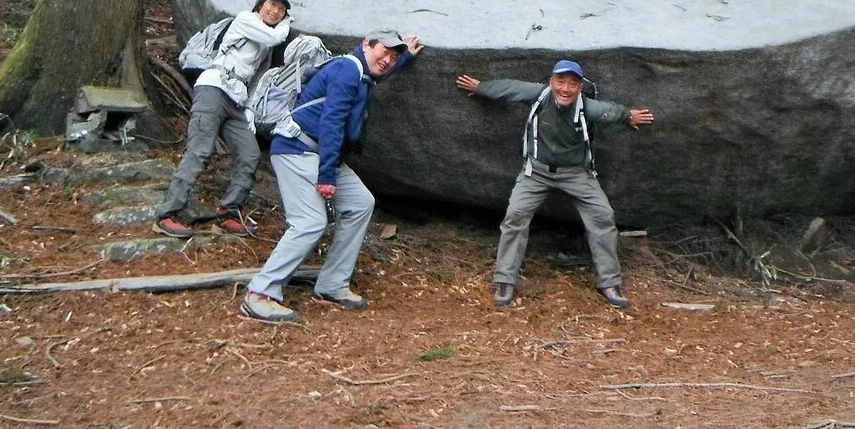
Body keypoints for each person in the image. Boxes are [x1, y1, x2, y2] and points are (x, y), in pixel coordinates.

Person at [240, 29, 422, 323]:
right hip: (297, 150)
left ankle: (332, 284)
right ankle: (259, 294)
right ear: (366, 44)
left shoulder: (361, 73)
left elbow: (376, 76)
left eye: (393, 56)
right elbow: (332, 121)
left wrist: (405, 60)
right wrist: (327, 176)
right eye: (383, 52)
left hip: (321, 154)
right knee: (310, 222)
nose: (387, 60)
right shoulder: (347, 70)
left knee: (361, 203)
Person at [456, 60, 654, 309]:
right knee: (515, 214)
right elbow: (511, 89)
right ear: (551, 82)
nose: (565, 89)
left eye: (572, 84)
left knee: (603, 215)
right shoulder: (540, 96)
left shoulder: (587, 108)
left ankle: (609, 282)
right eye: (560, 82)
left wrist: (629, 115)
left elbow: (609, 110)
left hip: (577, 174)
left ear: (580, 88)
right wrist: (483, 87)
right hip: (536, 172)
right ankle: (504, 279)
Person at [155, 0, 293, 239]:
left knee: (250, 155)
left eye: (282, 9)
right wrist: (288, 24)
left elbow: (257, 80)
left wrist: (250, 110)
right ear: (260, 4)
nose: (276, 11)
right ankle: (167, 214)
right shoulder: (246, 20)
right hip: (214, 88)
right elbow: (274, 36)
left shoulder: (266, 47)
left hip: (237, 101)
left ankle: (227, 212)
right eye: (272, 5)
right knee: (200, 150)